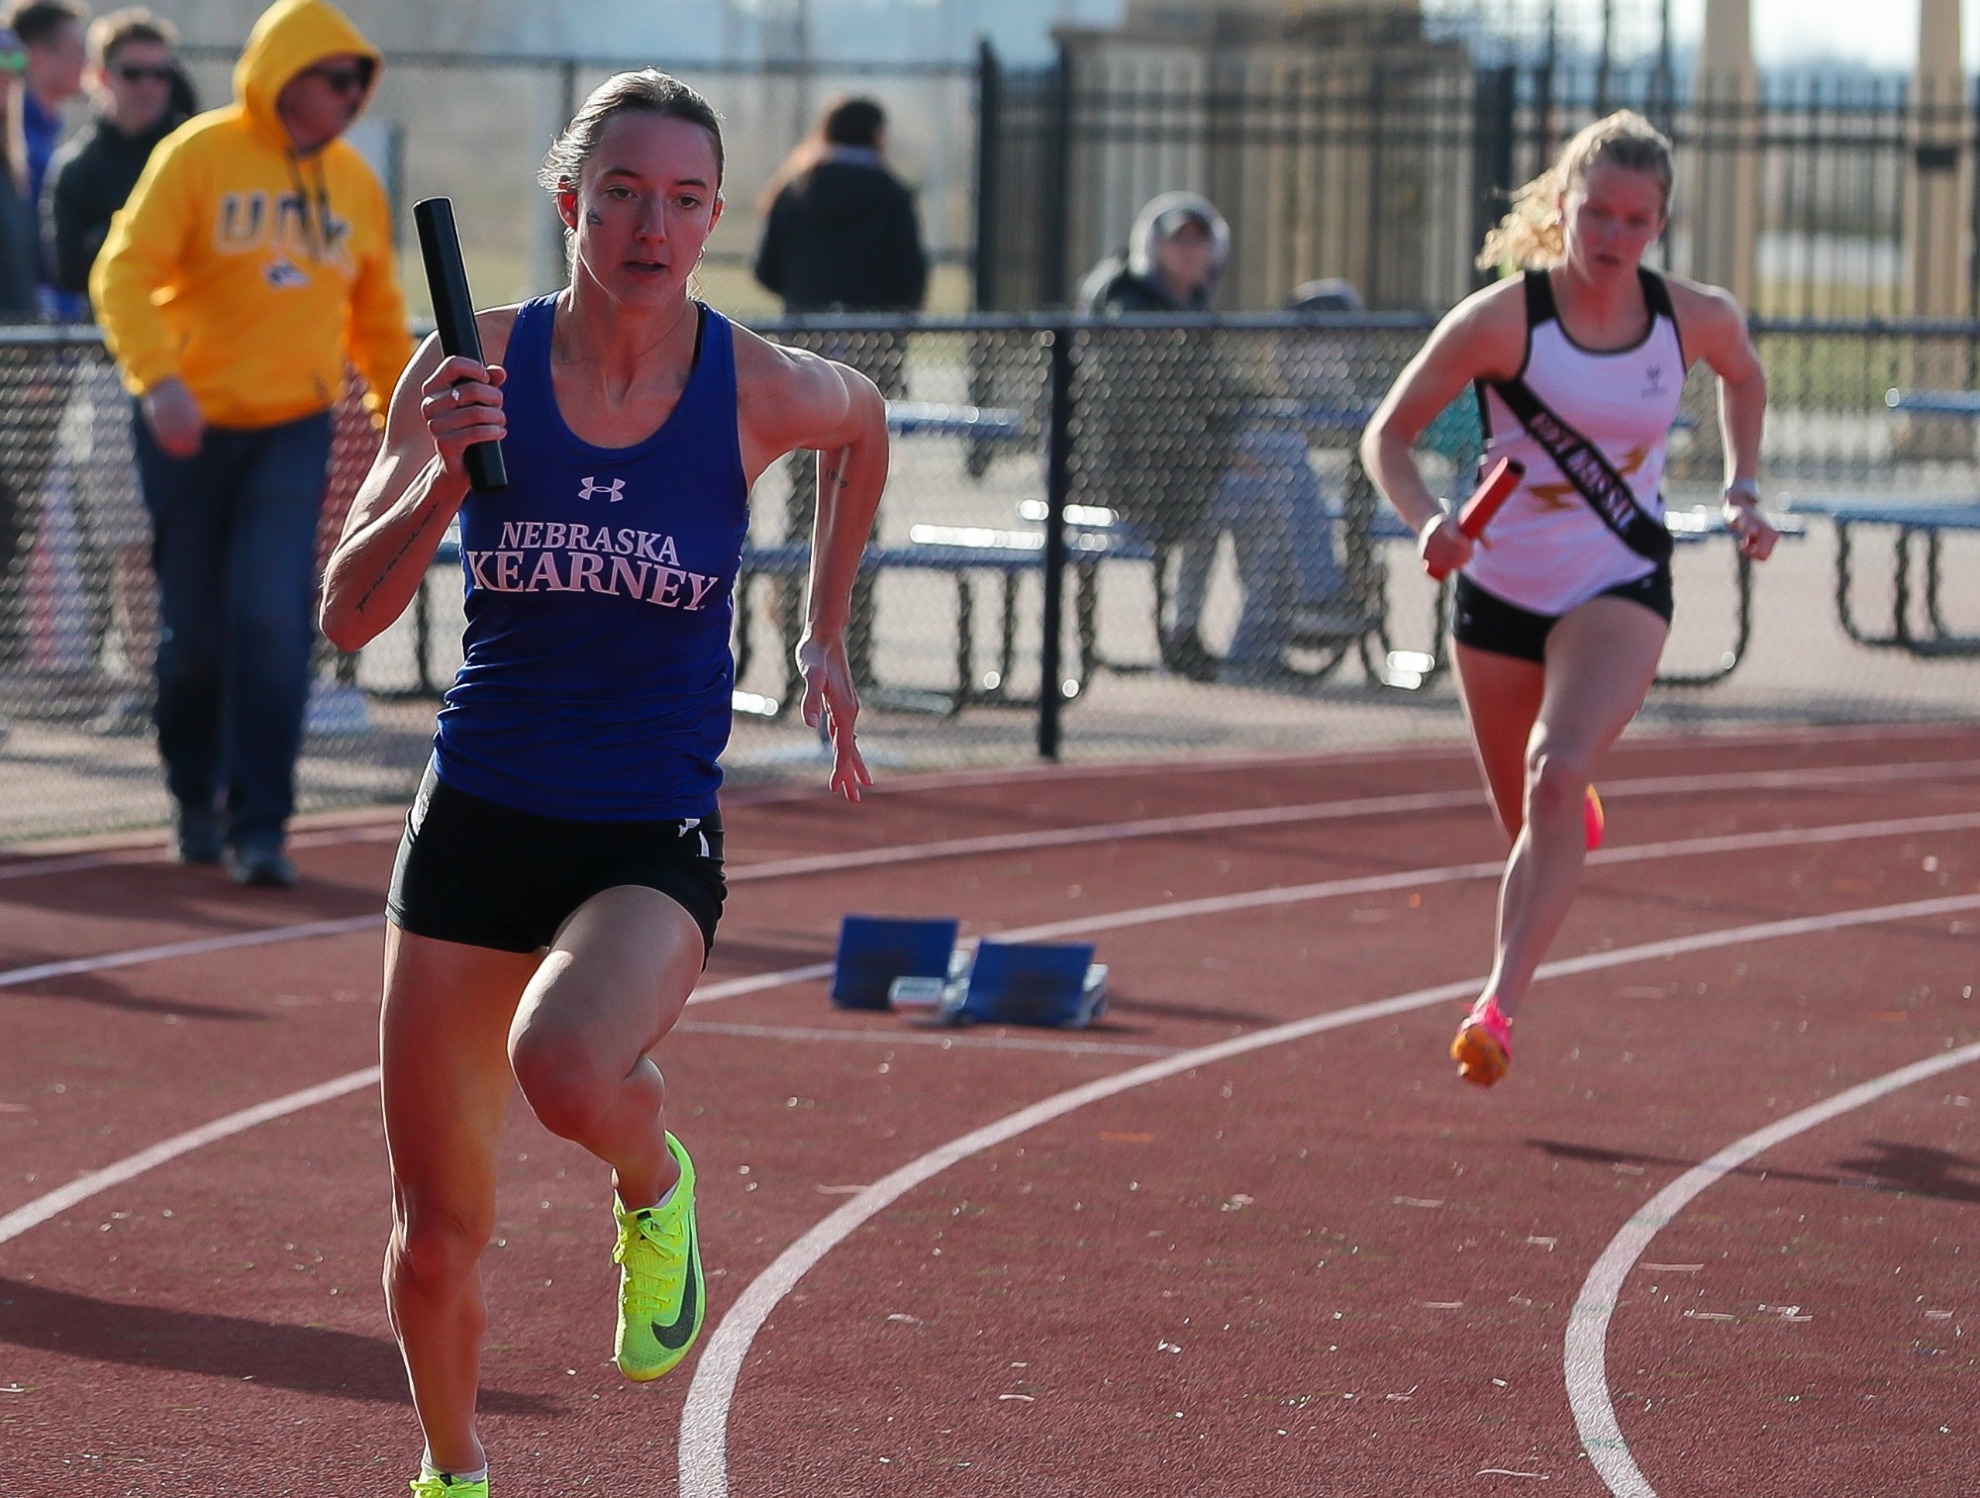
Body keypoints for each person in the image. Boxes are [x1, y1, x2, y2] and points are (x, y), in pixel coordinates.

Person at [318, 70, 885, 1498]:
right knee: (440, 1231)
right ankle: (453, 1472)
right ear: (571, 203)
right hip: (477, 819)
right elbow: (346, 616)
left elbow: (864, 422)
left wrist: (824, 625)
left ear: (712, 219)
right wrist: (442, 477)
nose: (654, 223)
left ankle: (655, 1186)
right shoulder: (473, 363)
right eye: (624, 191)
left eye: (686, 198)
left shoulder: (749, 381)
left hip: (645, 830)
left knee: (564, 1062)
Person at [1360, 110, 1775, 1089]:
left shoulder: (1692, 317)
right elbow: (1387, 436)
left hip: (1618, 578)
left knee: (1555, 771)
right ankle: (1562, 813)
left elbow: (1745, 377)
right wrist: (1427, 521)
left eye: (1636, 220)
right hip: (1498, 590)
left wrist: (1743, 487)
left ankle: (1495, 1005)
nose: (1613, 237)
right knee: (1531, 823)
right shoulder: (1504, 318)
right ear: (1563, 206)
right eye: (1598, 214)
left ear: (1660, 225)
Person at [92, 0, 410, 886]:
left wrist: (400, 416)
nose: (350, 96)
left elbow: (377, 320)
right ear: (285, 76)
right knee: (193, 634)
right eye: (335, 78)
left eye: (360, 83)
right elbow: (123, 271)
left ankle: (262, 822)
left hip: (291, 430)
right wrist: (158, 380)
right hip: (186, 426)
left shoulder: (351, 183)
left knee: (272, 622)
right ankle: (194, 796)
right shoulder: (198, 153)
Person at [44, 6, 185, 734]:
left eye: (160, 72)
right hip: (113, 373)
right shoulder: (78, 166)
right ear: (102, 78)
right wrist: (131, 243)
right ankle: (144, 680)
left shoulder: (191, 153)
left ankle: (200, 685)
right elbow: (68, 265)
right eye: (132, 72)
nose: (148, 87)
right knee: (129, 539)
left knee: (193, 534)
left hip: (198, 372)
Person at [752, 94, 924, 687]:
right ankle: (855, 649)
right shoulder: (892, 194)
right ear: (876, 134)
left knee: (802, 502)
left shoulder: (795, 187)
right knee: (857, 505)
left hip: (802, 355)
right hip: (870, 360)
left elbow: (766, 268)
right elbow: (911, 279)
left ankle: (787, 649)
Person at [1077, 192, 1241, 682]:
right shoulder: (1129, 306)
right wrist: (1223, 450)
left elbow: (1215, 394)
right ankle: (1290, 618)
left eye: (1200, 242)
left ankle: (1220, 634)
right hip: (1129, 477)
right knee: (1259, 489)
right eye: (1178, 242)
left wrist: (1251, 420)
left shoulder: (1193, 305)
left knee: (1268, 474)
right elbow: (1144, 411)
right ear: (1153, 247)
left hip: (1187, 472)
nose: (1190, 253)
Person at [4, 0, 86, 319]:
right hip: (26, 335)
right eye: (76, 50)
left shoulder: (44, 141)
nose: (86, 62)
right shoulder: (19, 148)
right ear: (39, 56)